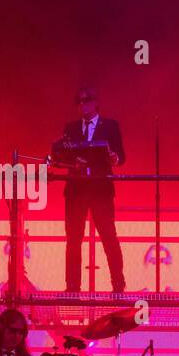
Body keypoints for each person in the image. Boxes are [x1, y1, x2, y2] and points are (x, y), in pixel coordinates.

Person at [56, 86, 126, 292]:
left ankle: (118, 283)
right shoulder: (71, 127)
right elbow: (61, 154)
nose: (82, 105)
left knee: (108, 236)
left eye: (86, 101)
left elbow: (121, 155)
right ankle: (72, 287)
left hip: (100, 189)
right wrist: (72, 160)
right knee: (73, 239)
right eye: (79, 102)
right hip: (77, 190)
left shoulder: (111, 126)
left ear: (96, 103)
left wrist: (115, 158)